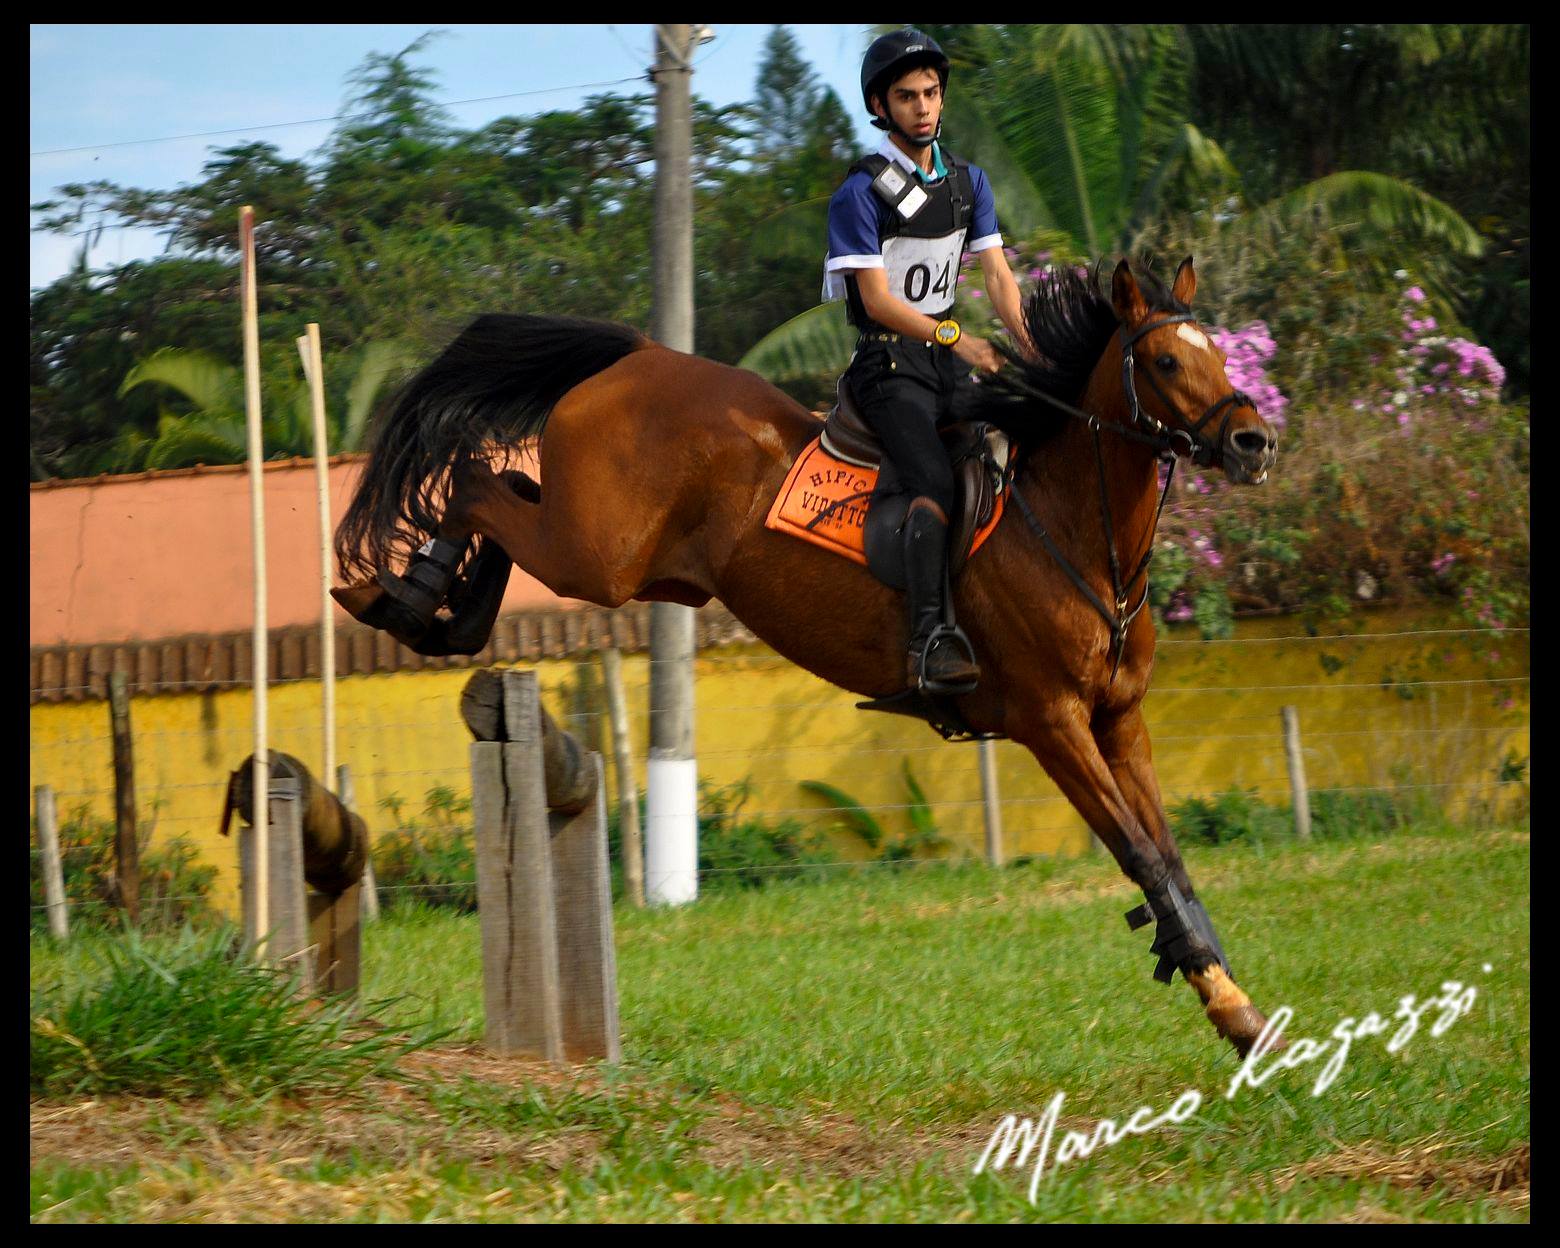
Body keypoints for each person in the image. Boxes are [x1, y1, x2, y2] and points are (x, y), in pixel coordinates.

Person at [823, 28, 1032, 694]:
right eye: (907, 96)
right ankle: (928, 642)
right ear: (880, 107)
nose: (923, 106)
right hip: (889, 368)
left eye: (931, 93)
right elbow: (878, 302)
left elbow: (998, 278)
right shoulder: (859, 193)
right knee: (936, 484)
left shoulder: (970, 183)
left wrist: (1032, 352)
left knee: (1019, 454)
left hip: (946, 363)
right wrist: (956, 341)